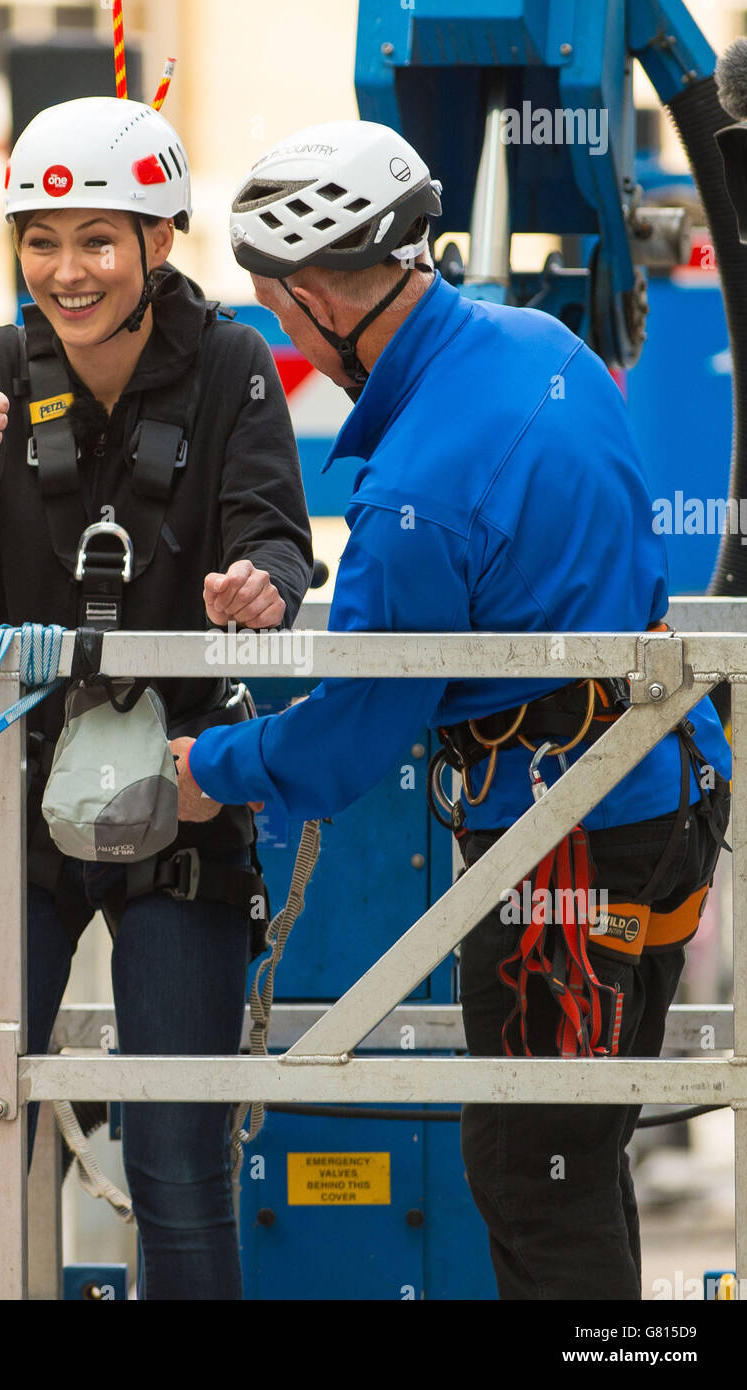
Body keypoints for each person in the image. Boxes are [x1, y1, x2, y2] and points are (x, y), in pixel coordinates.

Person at [171, 118, 732, 1301]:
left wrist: (202, 766)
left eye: (281, 308)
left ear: (323, 294)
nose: (288, 336)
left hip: (560, 846)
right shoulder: (548, 348)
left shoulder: (415, 491)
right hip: (670, 798)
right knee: (580, 1149)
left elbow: (343, 745)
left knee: (535, 1168)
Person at [0, 95, 314, 1300]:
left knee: (176, 1157)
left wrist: (257, 589)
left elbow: (278, 539)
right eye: (41, 239)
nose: (65, 271)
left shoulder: (233, 366)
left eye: (97, 239)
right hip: (10, 797)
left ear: (160, 240)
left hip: (177, 798)